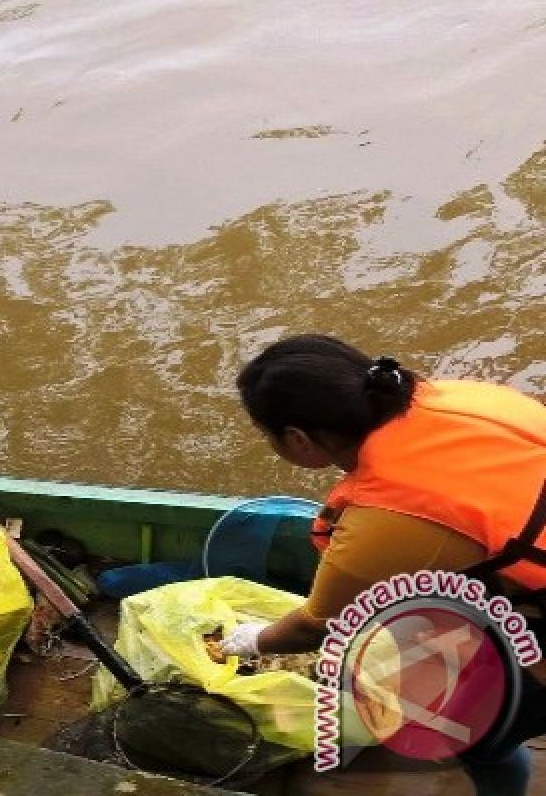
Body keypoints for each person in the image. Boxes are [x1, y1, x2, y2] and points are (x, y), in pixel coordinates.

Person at [221, 333, 546, 794]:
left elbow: (314, 625)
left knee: (482, 734)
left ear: (297, 439)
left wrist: (251, 640)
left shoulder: (387, 518)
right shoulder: (465, 398)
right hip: (523, 570)